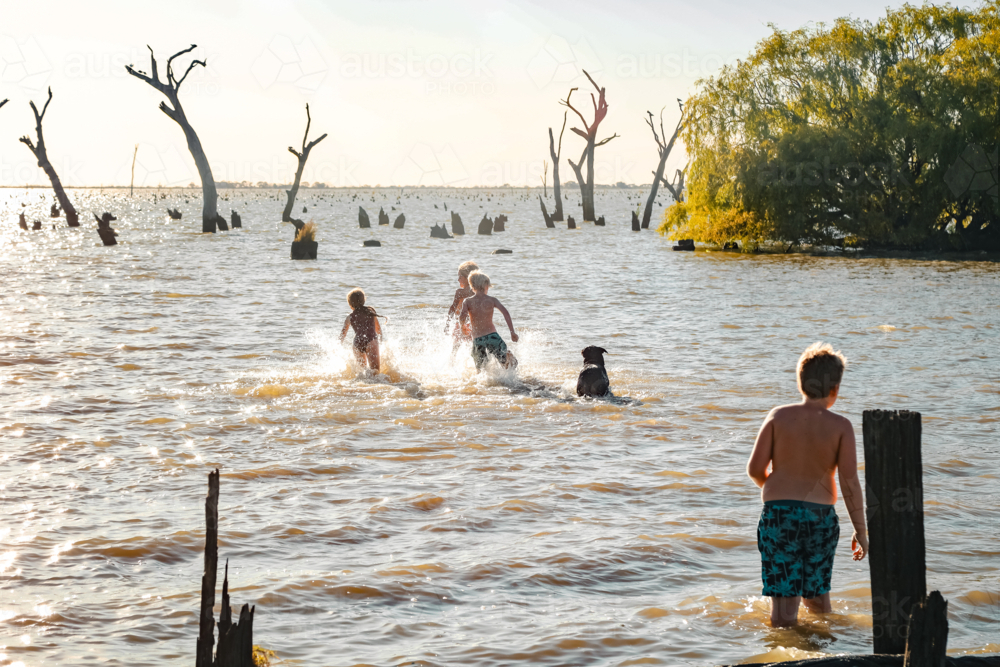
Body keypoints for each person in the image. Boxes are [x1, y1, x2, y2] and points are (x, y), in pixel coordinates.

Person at [746, 342, 868, 628]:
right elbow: (850, 484)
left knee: (783, 606)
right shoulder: (841, 426)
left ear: (800, 382)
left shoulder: (778, 416)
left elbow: (754, 469)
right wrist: (861, 531)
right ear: (835, 388)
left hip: (779, 516)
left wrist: (775, 489)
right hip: (820, 519)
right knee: (817, 599)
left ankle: (784, 656)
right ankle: (822, 653)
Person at [458, 271, 518, 369]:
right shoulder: (492, 300)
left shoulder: (467, 301)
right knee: (510, 362)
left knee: (480, 369)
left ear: (472, 285)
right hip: (492, 337)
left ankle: (483, 383)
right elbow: (506, 313)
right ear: (486, 285)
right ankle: (508, 380)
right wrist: (512, 332)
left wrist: (462, 327)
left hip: (477, 339)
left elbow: (462, 316)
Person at [340, 288, 383, 372]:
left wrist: (338, 347)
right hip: (371, 340)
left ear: (350, 304)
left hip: (357, 343)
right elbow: (378, 330)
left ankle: (362, 385)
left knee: (363, 372)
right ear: (364, 301)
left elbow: (342, 336)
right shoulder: (371, 313)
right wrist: (380, 341)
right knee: (375, 372)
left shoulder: (349, 317)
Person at [445, 260, 478, 344]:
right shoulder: (478, 292)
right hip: (474, 325)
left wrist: (447, 324)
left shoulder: (460, 292)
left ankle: (453, 357)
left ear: (467, 278)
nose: (458, 279)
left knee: (455, 348)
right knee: (475, 347)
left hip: (461, 325)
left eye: (460, 276)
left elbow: (453, 308)